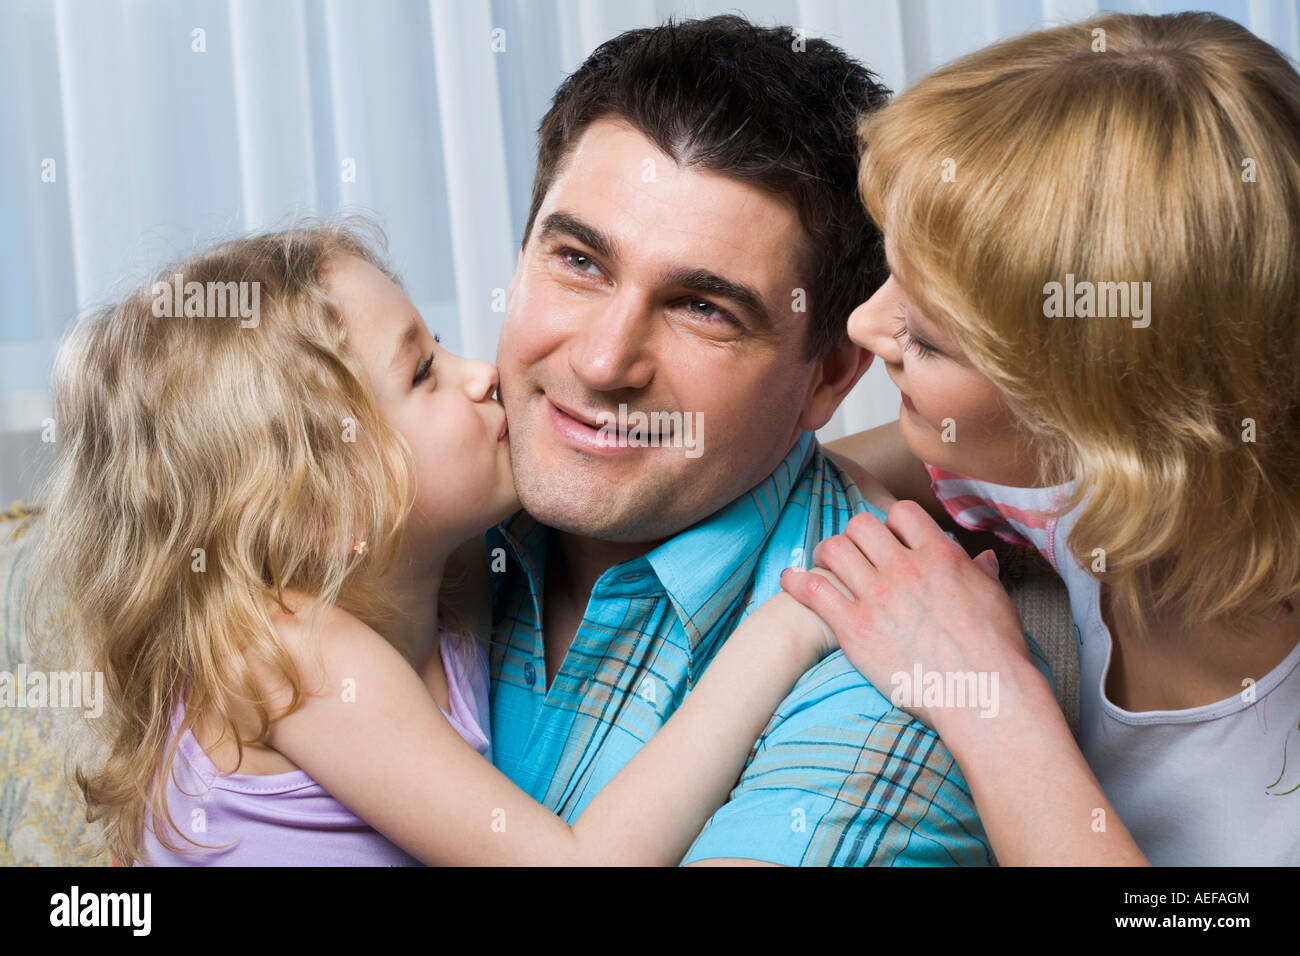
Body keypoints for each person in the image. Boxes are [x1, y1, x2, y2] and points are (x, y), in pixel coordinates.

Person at [25, 220, 844, 866]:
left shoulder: (437, 577)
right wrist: (787, 631)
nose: (481, 373)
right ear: (322, 503)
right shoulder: (296, 656)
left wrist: (879, 466)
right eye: (422, 373)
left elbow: (737, 456)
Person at [488, 14, 1051, 865]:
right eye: (579, 262)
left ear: (830, 376)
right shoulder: (403, 494)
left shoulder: (892, 673)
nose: (603, 363)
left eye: (702, 308)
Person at [787, 11, 1300, 865]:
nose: (862, 325)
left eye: (927, 337)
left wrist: (989, 698)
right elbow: (795, 482)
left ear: (1110, 418)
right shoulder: (1079, 493)